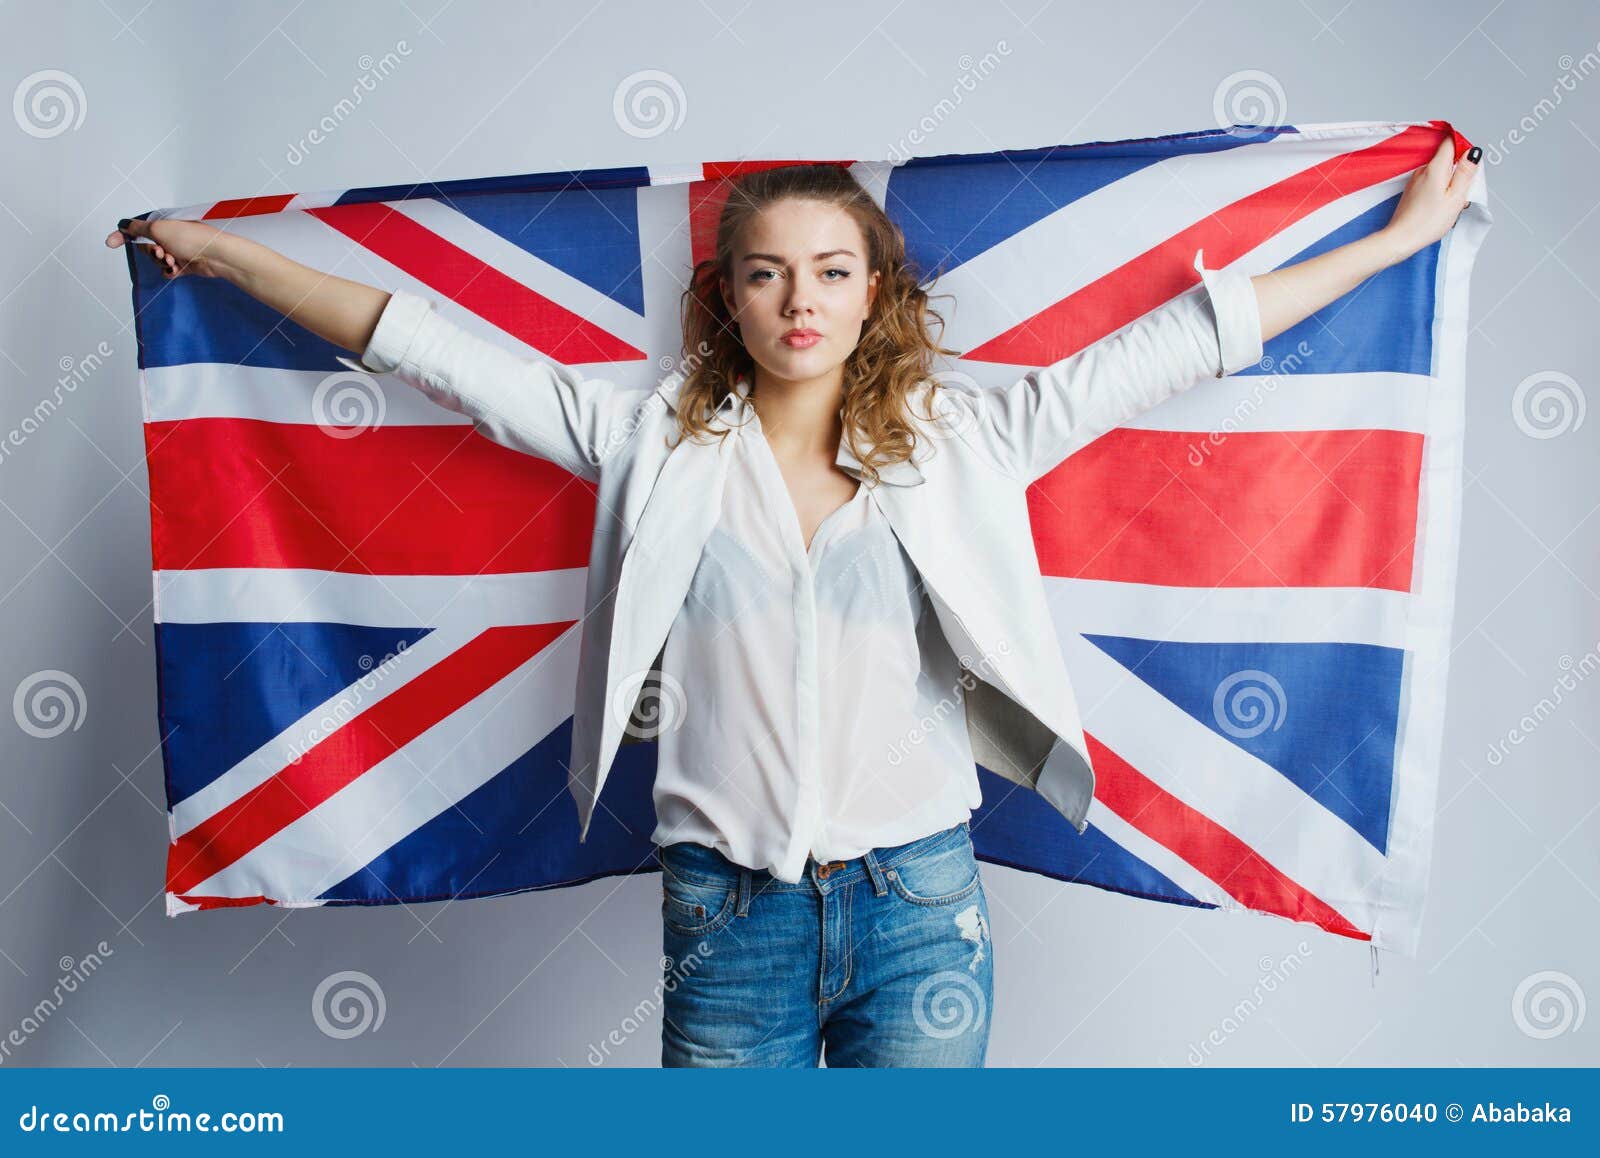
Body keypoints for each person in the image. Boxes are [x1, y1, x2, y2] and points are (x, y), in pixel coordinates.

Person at [106, 136, 1482, 1067]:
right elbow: (426, 346)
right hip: (727, 917)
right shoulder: (647, 442)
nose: (799, 299)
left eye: (830, 271)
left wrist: (1397, 242)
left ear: (874, 292)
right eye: (766, 273)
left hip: (920, 903)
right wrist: (224, 257)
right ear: (730, 297)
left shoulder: (965, 442)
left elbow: (1183, 342)